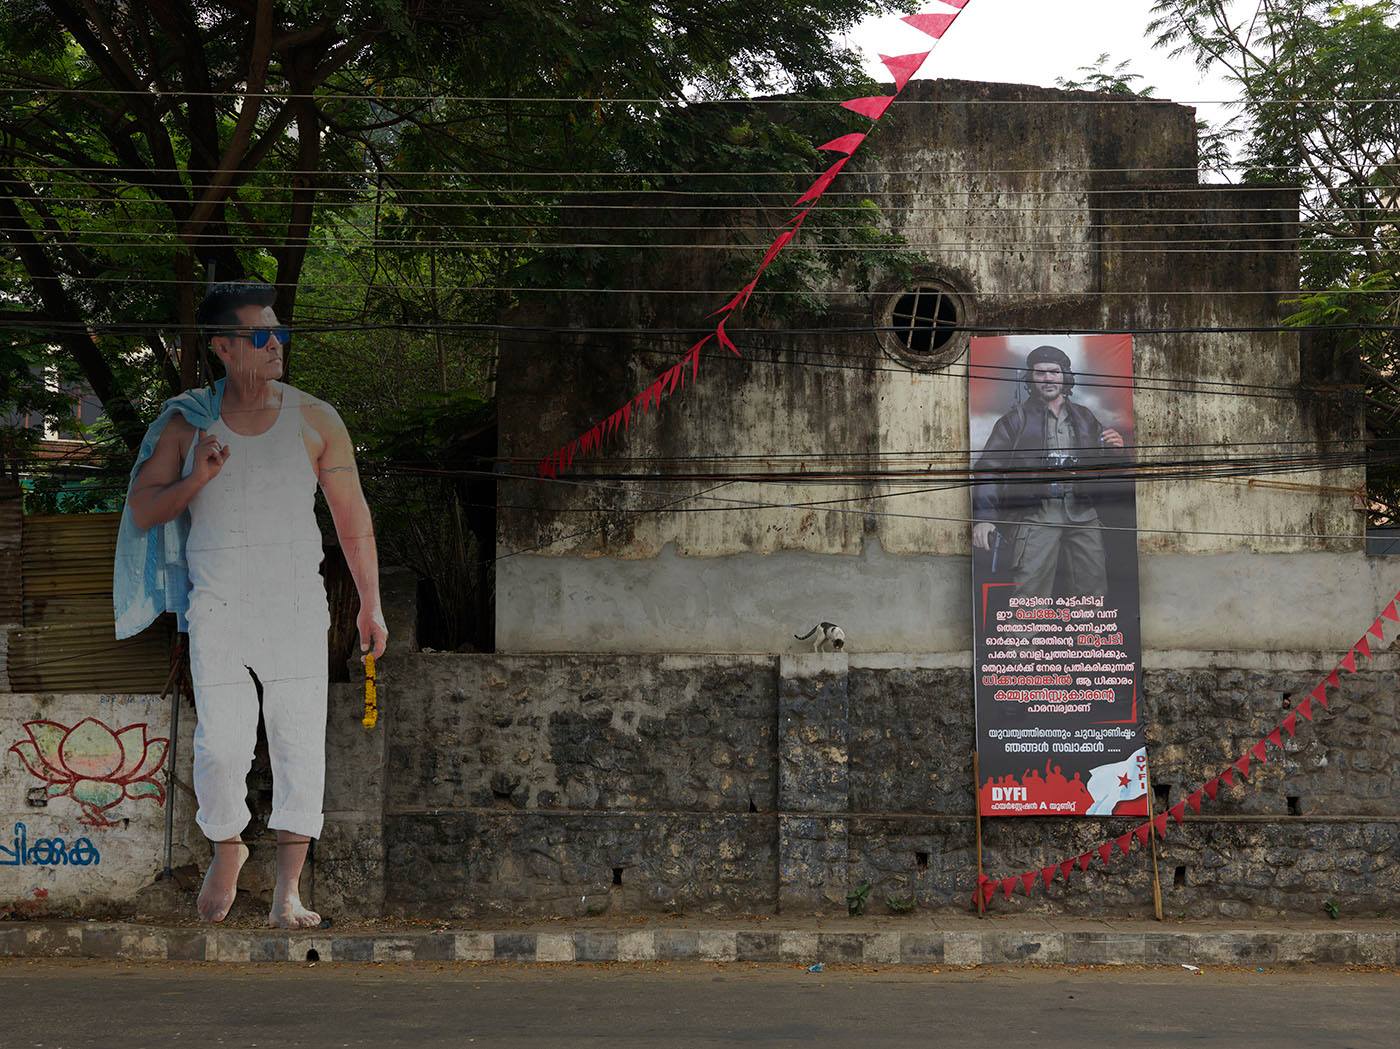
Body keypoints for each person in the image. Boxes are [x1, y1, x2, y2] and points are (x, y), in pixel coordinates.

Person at [117, 280, 388, 928]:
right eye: (260, 335)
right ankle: (228, 844)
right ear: (223, 347)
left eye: (279, 333)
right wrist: (197, 477)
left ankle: (288, 893)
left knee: (300, 747)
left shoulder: (316, 419)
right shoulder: (188, 423)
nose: (276, 345)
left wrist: (371, 604)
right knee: (221, 746)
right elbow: (143, 509)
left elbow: (352, 517)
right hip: (219, 609)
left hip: (296, 609)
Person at [971, 345, 1124, 597]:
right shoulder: (1015, 420)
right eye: (1040, 373)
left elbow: (1104, 464)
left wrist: (1116, 449)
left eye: (1054, 372)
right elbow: (989, 469)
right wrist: (985, 517)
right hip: (1036, 514)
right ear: (1031, 378)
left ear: (1065, 376)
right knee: (1029, 593)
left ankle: (1086, 625)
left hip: (1083, 512)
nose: (1048, 378)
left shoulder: (1085, 417)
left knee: (1093, 592)